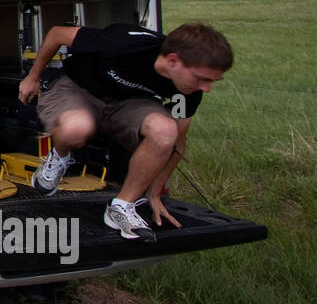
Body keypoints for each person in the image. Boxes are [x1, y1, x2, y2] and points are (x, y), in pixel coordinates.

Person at [17, 21, 232, 241]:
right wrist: (33, 76)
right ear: (174, 60)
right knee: (76, 127)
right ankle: (58, 157)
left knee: (167, 129)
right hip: (79, 87)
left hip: (126, 103)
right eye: (202, 79)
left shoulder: (189, 90)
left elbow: (178, 141)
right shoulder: (124, 43)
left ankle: (121, 206)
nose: (206, 88)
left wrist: (156, 192)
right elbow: (56, 33)